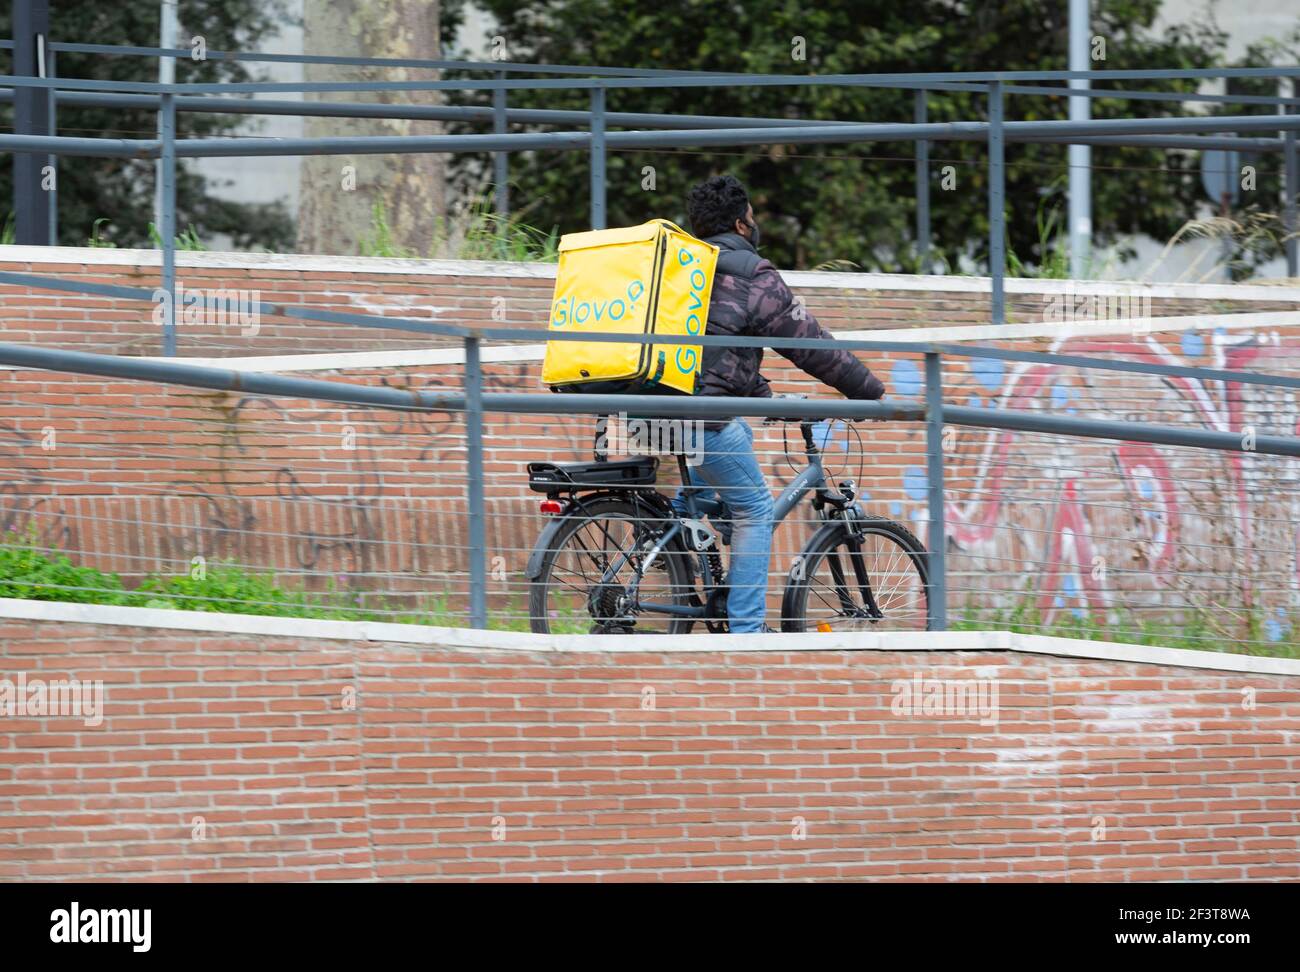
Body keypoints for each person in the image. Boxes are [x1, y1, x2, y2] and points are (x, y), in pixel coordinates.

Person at [672, 174, 886, 633]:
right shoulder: (750, 275)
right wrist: (867, 391)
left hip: (645, 411)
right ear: (740, 222)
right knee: (753, 509)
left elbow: (713, 354)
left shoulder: (680, 270)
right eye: (751, 216)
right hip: (696, 420)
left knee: (737, 435)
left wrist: (765, 396)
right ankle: (747, 633)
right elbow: (808, 344)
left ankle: (675, 525)